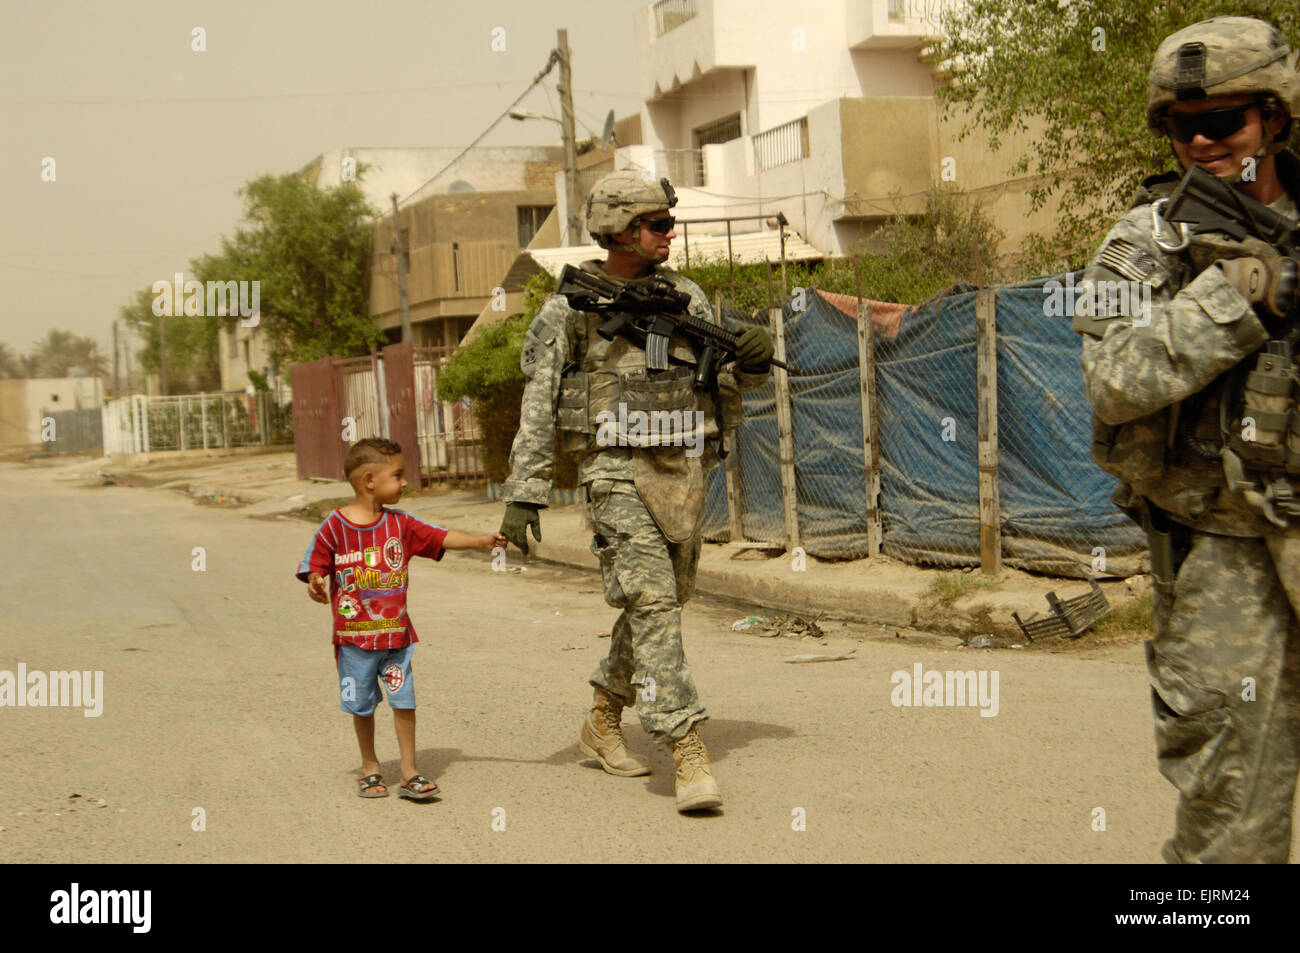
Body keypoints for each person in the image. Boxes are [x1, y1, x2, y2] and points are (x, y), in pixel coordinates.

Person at [1074, 16, 1300, 862]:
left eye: (1226, 122)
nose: (1203, 142)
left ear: (1274, 119)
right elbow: (1112, 377)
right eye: (1183, 125)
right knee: (1232, 820)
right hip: (1224, 551)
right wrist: (1241, 296)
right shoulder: (1147, 241)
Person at [498, 171, 774, 812]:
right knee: (652, 603)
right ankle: (686, 749)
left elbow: (724, 383)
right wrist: (526, 490)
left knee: (664, 603)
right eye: (658, 224)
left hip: (680, 467)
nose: (670, 234)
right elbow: (538, 400)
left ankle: (600, 719)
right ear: (621, 229)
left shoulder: (688, 297)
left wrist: (751, 361)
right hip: (614, 469)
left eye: (669, 223)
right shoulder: (568, 309)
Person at [296, 437, 505, 800]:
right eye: (398, 475)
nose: (405, 482)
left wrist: (481, 541)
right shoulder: (334, 527)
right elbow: (315, 563)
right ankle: (370, 767)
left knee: (403, 701)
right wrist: (315, 581)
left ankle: (409, 771)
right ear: (369, 481)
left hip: (396, 639)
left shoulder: (401, 525)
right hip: (354, 641)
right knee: (361, 705)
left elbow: (441, 537)